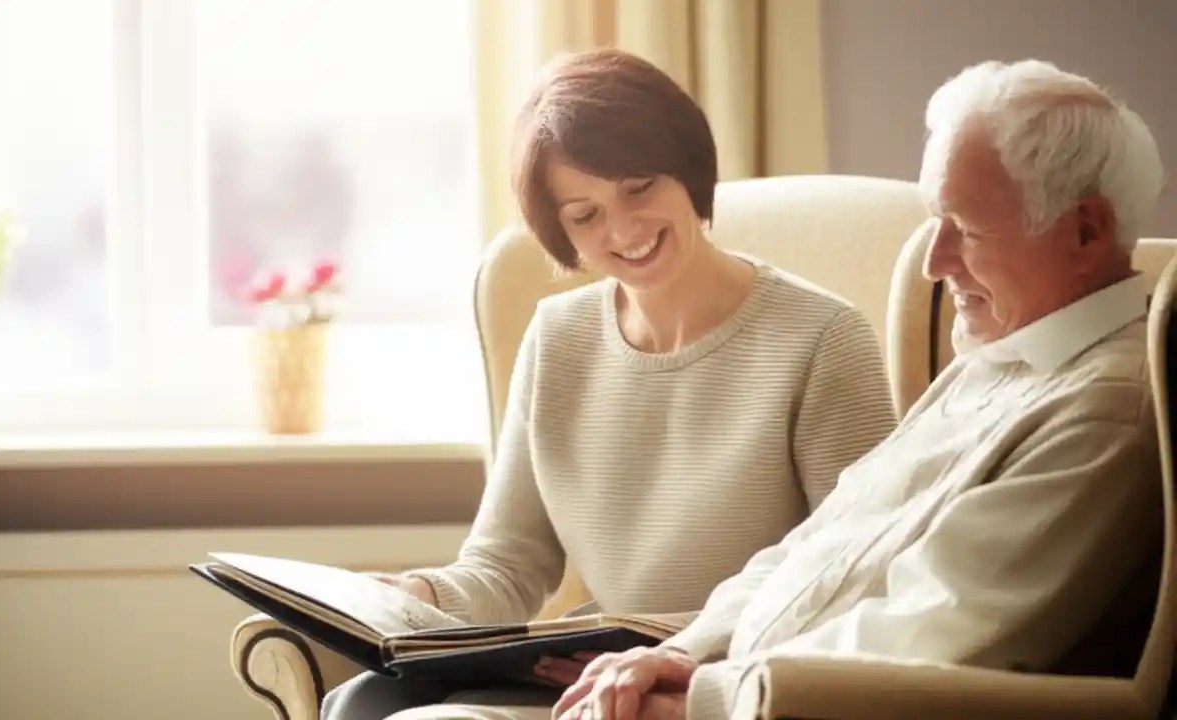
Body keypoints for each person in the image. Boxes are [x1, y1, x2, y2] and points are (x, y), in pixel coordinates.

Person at [541, 59, 1168, 720]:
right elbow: (811, 552)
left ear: (1086, 230)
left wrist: (699, 700)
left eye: (967, 230)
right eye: (936, 222)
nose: (935, 263)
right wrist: (684, 653)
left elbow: (928, 639)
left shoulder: (1104, 411)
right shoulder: (1002, 357)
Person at [319, 48, 897, 719]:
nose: (623, 229)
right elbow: (508, 565)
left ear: (686, 168)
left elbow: (852, 569)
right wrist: (413, 595)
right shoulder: (556, 337)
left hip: (726, 684)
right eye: (584, 214)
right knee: (364, 702)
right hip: (593, 680)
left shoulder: (822, 338)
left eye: (639, 187)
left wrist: (676, 652)